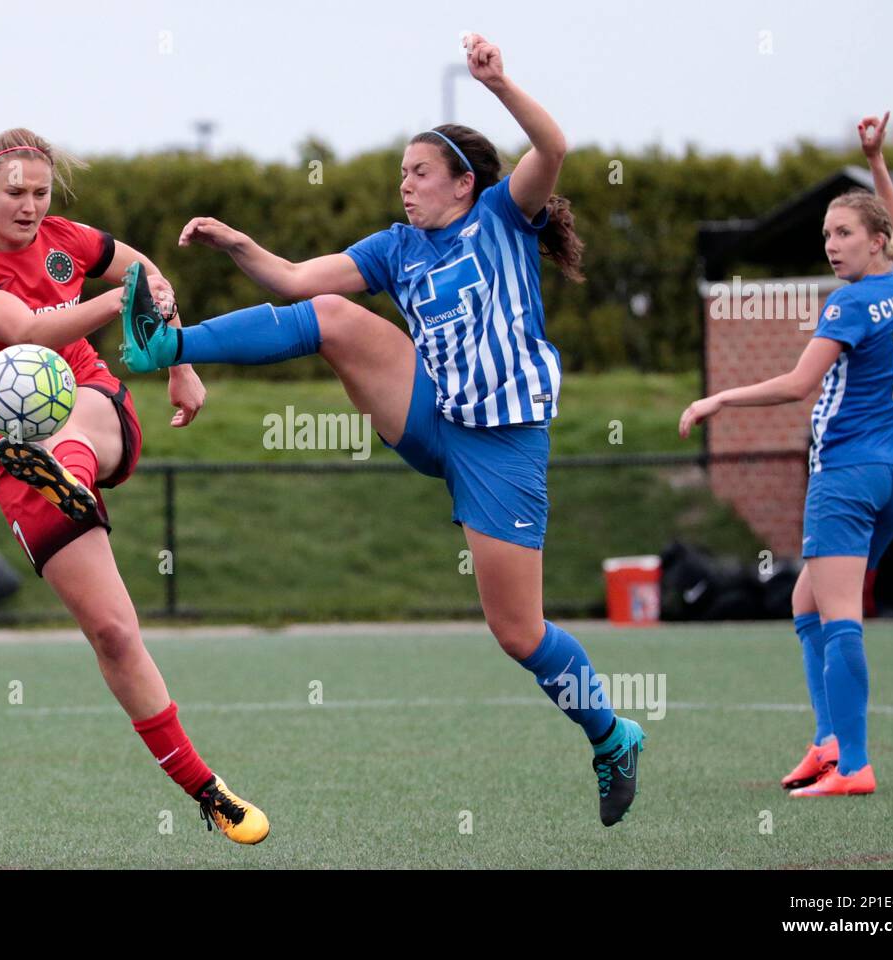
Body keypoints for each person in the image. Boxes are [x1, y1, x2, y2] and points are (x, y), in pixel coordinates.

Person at [119, 35, 646, 826]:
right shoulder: (397, 248)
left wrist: (498, 83)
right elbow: (295, 282)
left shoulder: (506, 215)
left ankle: (610, 734)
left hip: (503, 445)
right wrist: (237, 245)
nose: (405, 186)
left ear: (465, 184)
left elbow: (554, 145)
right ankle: (173, 344)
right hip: (433, 415)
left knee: (518, 633)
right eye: (400, 172)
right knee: (331, 315)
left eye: (420, 173)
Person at [0, 129, 268, 843]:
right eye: (14, 191)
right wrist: (119, 303)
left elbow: (146, 271)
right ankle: (207, 789)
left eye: (39, 191)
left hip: (94, 405)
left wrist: (177, 355)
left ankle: (68, 472)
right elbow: (25, 332)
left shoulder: (67, 239)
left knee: (72, 416)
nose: (27, 204)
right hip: (10, 451)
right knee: (114, 632)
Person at [680, 112, 893, 797]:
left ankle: (855, 765)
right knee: (807, 600)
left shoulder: (848, 307)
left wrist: (719, 400)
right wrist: (877, 160)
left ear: (873, 241)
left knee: (841, 613)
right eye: (826, 235)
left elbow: (798, 383)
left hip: (846, 475)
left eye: (844, 232)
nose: (831, 246)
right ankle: (827, 742)